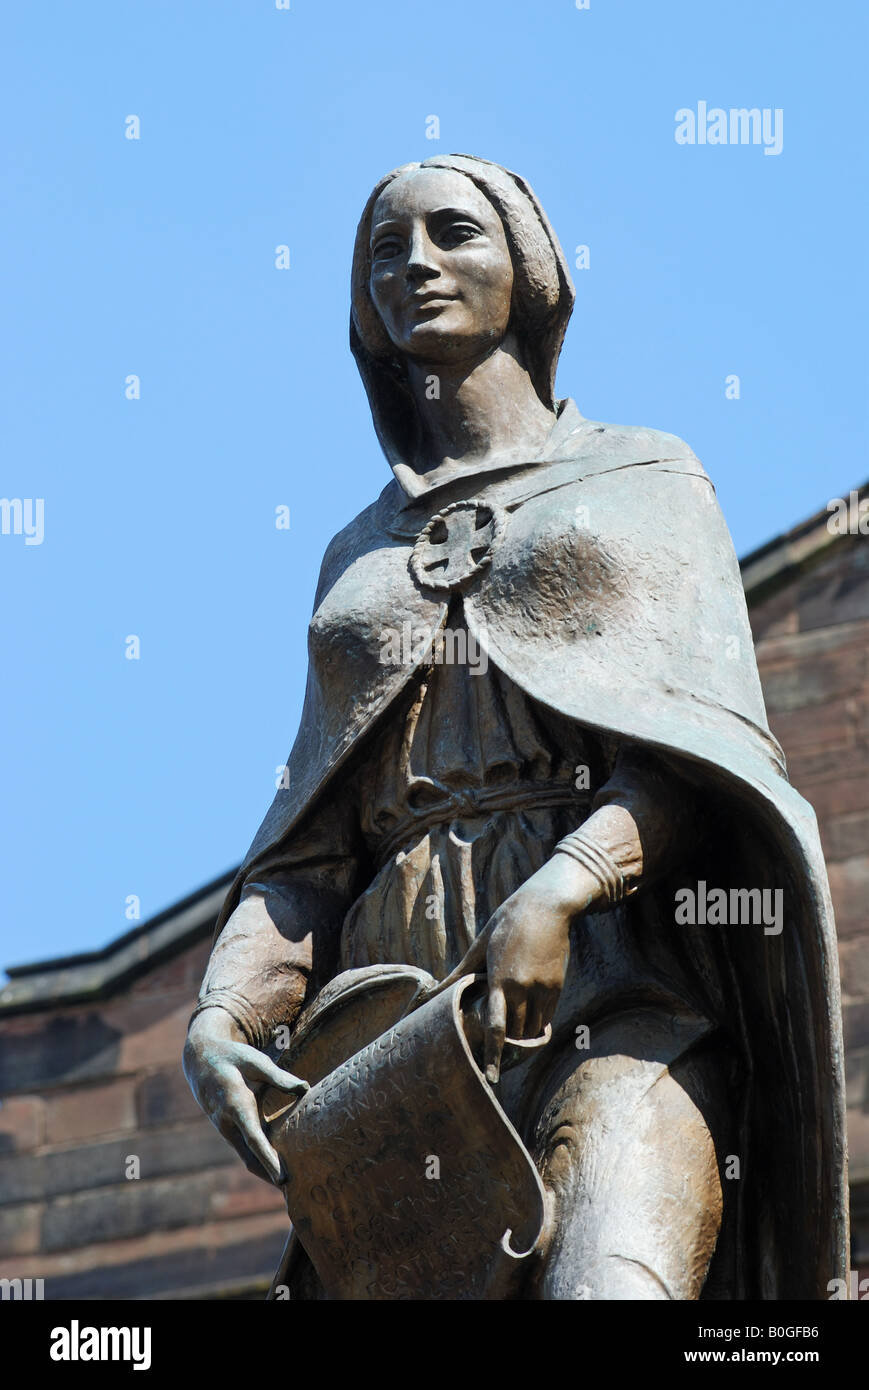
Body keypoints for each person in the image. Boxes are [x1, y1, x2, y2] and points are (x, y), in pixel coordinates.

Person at [184, 154, 847, 1300]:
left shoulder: (643, 475)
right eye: (384, 252)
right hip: (398, 1053)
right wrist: (219, 1014)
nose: (416, 266)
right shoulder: (354, 556)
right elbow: (303, 858)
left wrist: (557, 889)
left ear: (527, 273)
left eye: (452, 234)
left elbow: (701, 758)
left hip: (615, 996)